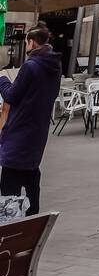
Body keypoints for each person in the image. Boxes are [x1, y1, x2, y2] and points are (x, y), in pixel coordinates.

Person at [0, 24, 62, 216]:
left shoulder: (31, 66)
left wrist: (2, 80)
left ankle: (11, 231)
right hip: (37, 133)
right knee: (31, 181)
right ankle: (32, 224)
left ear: (31, 42)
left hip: (19, 134)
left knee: (9, 191)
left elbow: (11, 96)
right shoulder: (54, 65)